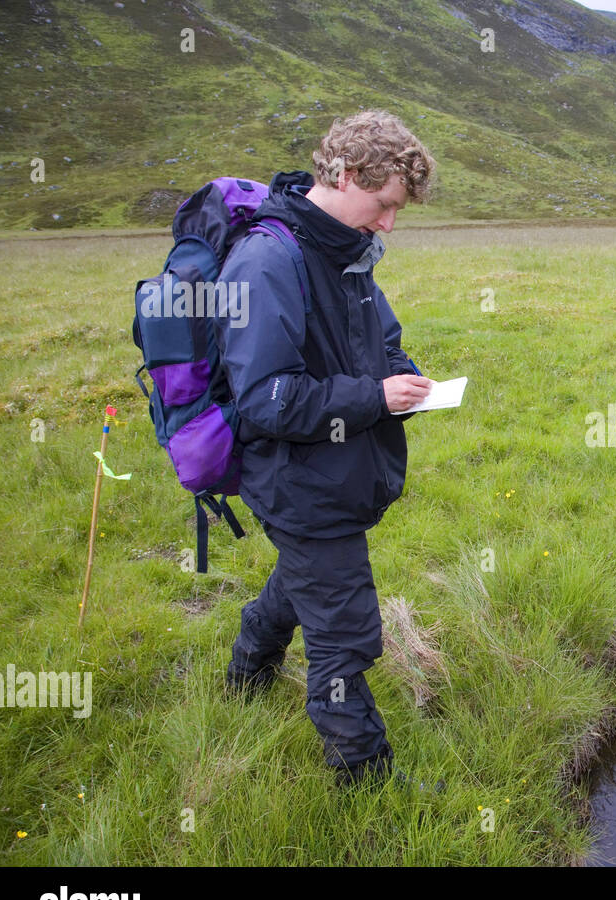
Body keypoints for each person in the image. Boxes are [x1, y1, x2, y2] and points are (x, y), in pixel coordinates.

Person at [215, 110, 436, 787]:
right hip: (298, 482)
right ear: (344, 175)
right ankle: (370, 787)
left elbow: (382, 340)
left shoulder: (345, 252)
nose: (389, 224)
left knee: (302, 580)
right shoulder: (266, 260)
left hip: (335, 475)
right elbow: (266, 399)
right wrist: (374, 399)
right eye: (385, 205)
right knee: (345, 638)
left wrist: (404, 374)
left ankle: (244, 679)